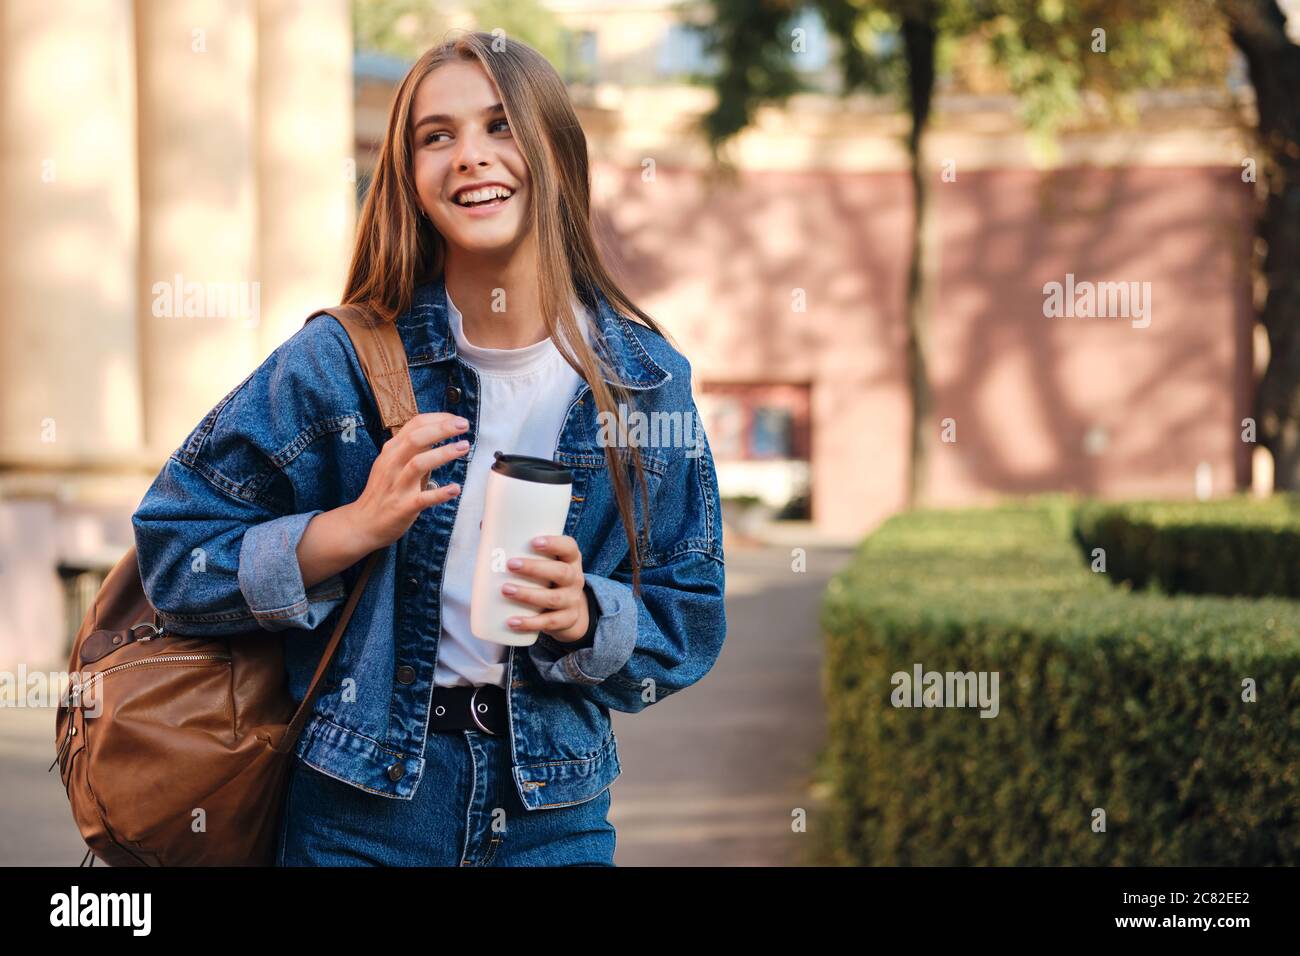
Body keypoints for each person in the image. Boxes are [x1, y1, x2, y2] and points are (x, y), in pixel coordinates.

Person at [130, 30, 727, 867]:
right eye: (436, 137)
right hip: (357, 809)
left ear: (555, 150)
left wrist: (588, 614)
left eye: (499, 127)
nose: (470, 158)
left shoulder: (643, 383)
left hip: (553, 816)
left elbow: (690, 613)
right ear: (410, 178)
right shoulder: (338, 363)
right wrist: (349, 529)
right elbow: (174, 547)